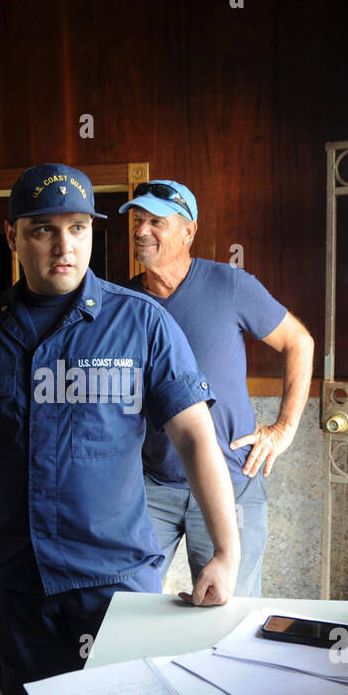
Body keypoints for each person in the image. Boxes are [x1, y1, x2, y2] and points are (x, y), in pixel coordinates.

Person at [0, 163, 240, 695]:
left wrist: (225, 550)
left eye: (78, 227)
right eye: (43, 229)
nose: (63, 245)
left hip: (111, 582)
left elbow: (197, 438)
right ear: (13, 235)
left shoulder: (140, 322)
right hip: (15, 580)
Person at [121, 180, 313, 597]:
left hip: (232, 485)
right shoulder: (125, 302)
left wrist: (284, 428)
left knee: (228, 613)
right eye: (138, 221)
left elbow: (299, 341)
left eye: (157, 222)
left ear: (189, 231)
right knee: (124, 602)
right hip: (153, 488)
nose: (141, 231)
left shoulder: (230, 284)